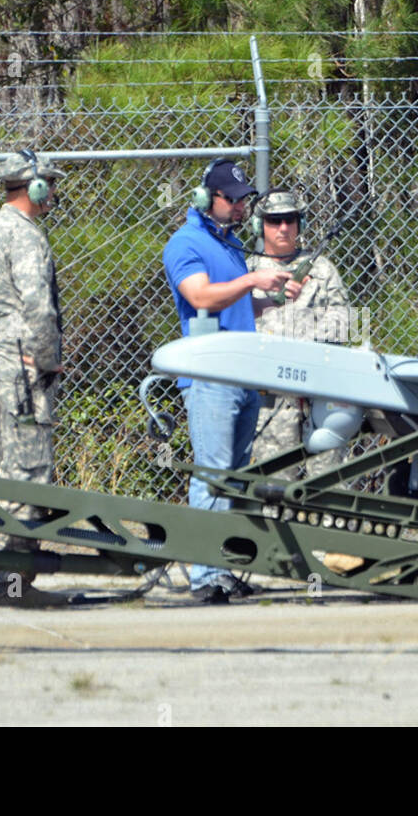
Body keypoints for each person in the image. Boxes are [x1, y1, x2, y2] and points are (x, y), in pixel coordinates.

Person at [162, 159, 295, 603]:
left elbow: (234, 305)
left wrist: (270, 296)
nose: (241, 207)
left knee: (235, 478)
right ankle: (203, 576)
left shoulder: (231, 246)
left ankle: (226, 569)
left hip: (242, 374)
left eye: (244, 200)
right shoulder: (186, 244)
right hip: (211, 376)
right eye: (232, 199)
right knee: (213, 474)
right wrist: (252, 277)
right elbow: (199, 296)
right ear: (206, 199)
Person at [0, 150, 68, 607]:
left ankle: (0, 580)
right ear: (36, 187)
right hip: (22, 372)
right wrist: (48, 360)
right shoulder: (28, 239)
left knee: (1, 475)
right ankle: (14, 588)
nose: (53, 191)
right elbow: (38, 308)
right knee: (28, 477)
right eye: (48, 182)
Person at [248, 190, 353, 480]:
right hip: (272, 398)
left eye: (290, 220)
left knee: (328, 480)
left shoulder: (322, 270)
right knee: (275, 482)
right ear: (260, 226)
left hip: (319, 390)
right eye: (274, 220)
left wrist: (301, 339)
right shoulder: (249, 273)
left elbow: (346, 323)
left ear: (300, 224)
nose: (283, 228)